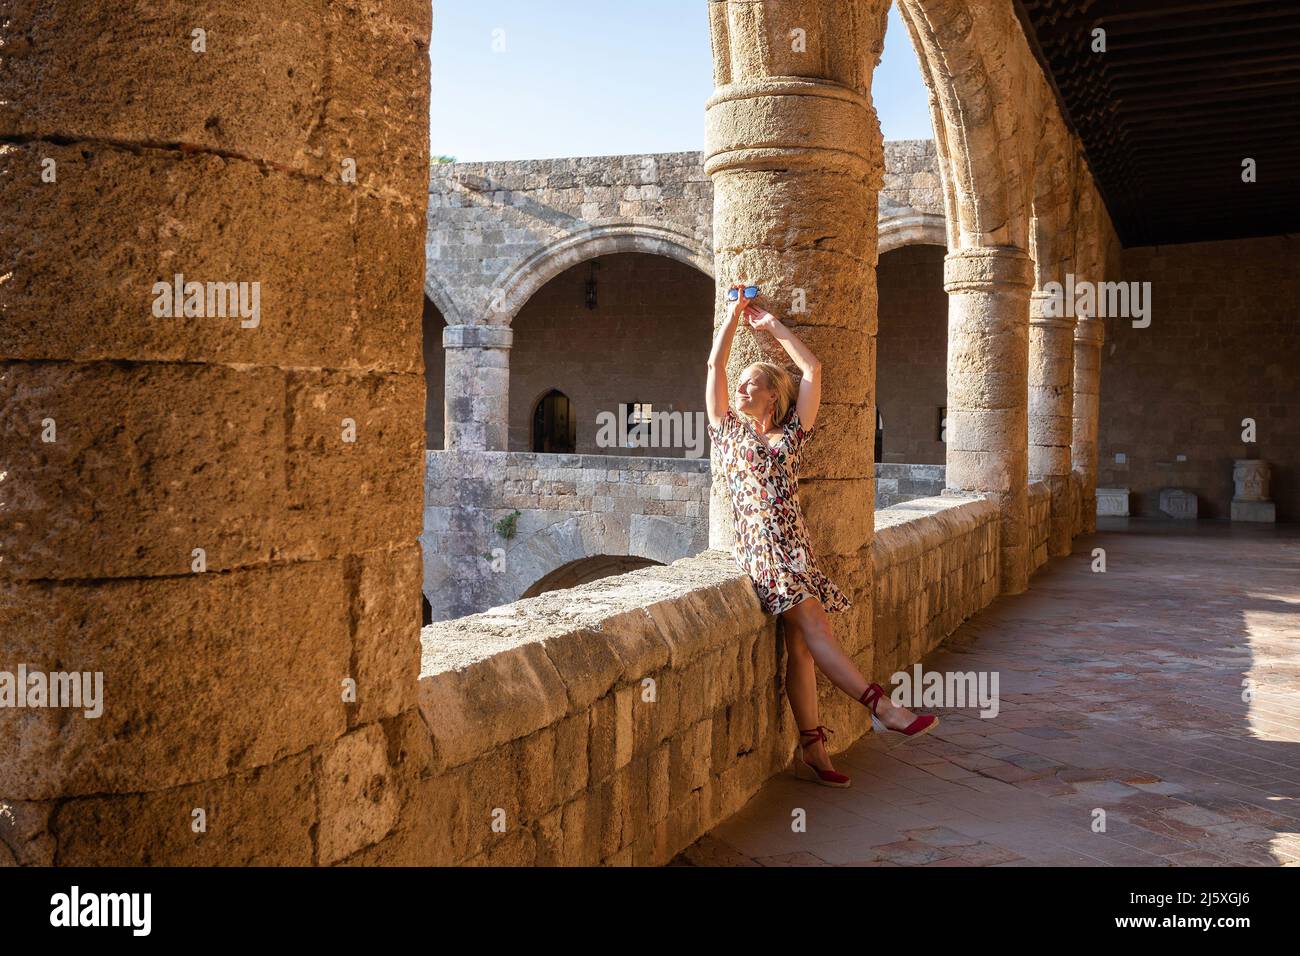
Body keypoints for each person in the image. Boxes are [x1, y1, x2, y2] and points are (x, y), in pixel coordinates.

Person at [705, 283, 939, 787]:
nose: (741, 390)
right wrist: (731, 315)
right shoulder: (726, 430)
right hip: (763, 550)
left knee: (802, 647)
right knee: (815, 627)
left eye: (752, 384)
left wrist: (772, 328)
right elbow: (712, 370)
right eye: (740, 384)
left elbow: (812, 371)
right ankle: (883, 708)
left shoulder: (791, 434)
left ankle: (813, 746)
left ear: (773, 395)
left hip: (797, 545)